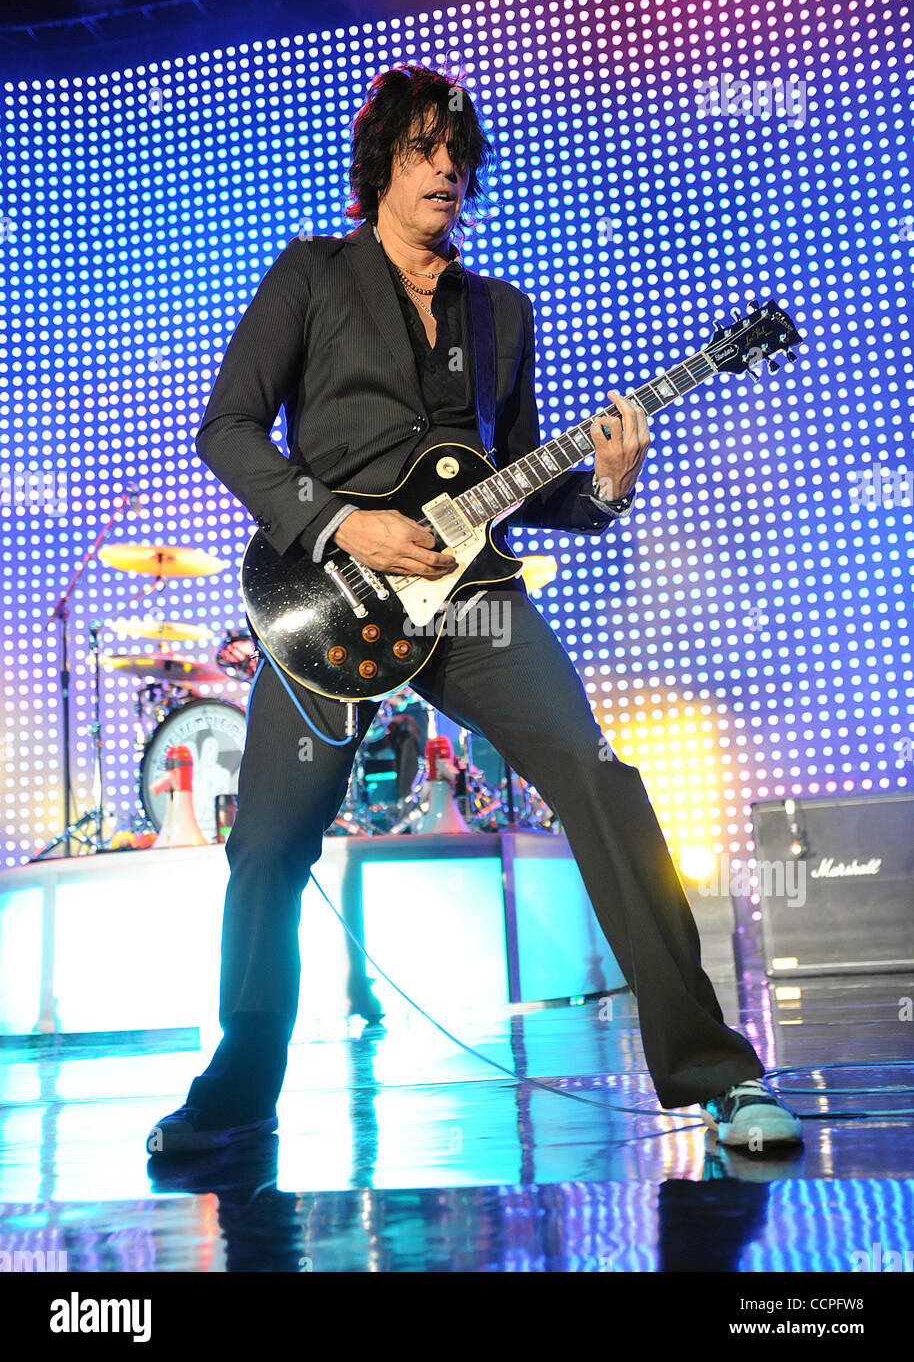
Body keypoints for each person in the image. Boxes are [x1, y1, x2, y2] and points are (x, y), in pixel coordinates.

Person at [147, 64, 801, 1157]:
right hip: (327, 594)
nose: (446, 165)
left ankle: (715, 1072)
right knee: (265, 842)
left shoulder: (498, 311)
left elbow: (520, 477)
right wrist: (341, 524)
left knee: (597, 779)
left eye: (458, 151)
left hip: (473, 602)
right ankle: (239, 1086)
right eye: (421, 147)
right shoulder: (311, 274)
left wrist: (604, 484)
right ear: (381, 166)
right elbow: (229, 430)